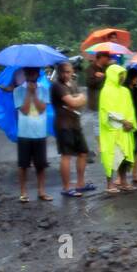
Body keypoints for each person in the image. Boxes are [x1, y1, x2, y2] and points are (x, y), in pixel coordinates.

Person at [4, 67, 51, 202]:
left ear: (37, 74)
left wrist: (34, 94)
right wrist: (29, 93)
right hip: (24, 132)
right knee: (23, 165)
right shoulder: (18, 90)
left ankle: (41, 191)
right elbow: (24, 110)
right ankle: (23, 192)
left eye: (33, 72)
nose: (31, 75)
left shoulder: (43, 89)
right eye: (28, 73)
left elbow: (42, 109)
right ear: (25, 74)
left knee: (41, 165)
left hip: (40, 132)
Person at [51, 60, 92, 197]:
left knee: (83, 152)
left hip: (75, 123)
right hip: (63, 125)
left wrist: (77, 100)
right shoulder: (57, 86)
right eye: (64, 72)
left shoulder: (72, 84)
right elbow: (74, 102)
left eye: (69, 72)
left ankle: (80, 183)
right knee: (66, 155)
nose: (67, 75)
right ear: (59, 72)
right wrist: (76, 100)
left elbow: (82, 100)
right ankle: (66, 187)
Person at [98, 62, 137, 193]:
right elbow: (106, 111)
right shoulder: (106, 91)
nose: (121, 77)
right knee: (111, 156)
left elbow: (130, 109)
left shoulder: (125, 91)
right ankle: (109, 184)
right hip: (112, 129)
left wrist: (130, 122)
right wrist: (123, 121)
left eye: (122, 74)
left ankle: (123, 181)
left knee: (124, 157)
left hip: (125, 129)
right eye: (119, 74)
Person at [85, 49, 113, 163]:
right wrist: (100, 77)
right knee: (97, 123)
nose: (108, 60)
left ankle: (108, 142)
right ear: (100, 57)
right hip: (96, 99)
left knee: (107, 121)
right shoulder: (90, 69)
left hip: (107, 99)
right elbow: (90, 83)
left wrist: (105, 74)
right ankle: (100, 145)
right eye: (106, 57)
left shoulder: (107, 68)